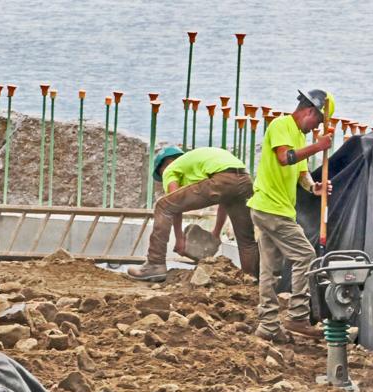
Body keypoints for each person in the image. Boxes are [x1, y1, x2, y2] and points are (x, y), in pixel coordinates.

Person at [247, 89, 335, 341]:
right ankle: (298, 317)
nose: (317, 127)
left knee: (270, 269)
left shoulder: (297, 134)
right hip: (271, 208)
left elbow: (300, 172)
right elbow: (285, 158)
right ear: (310, 111)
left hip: (272, 209)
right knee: (306, 256)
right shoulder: (281, 125)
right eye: (318, 121)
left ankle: (268, 325)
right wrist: (318, 146)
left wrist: (313, 187)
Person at [127, 146, 258, 281]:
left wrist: (180, 239)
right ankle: (252, 279)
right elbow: (225, 199)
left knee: (163, 205)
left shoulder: (169, 169)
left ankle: (155, 264)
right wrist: (216, 233)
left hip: (222, 179)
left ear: (162, 168)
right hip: (244, 180)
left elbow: (173, 205)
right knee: (246, 241)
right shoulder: (195, 161)